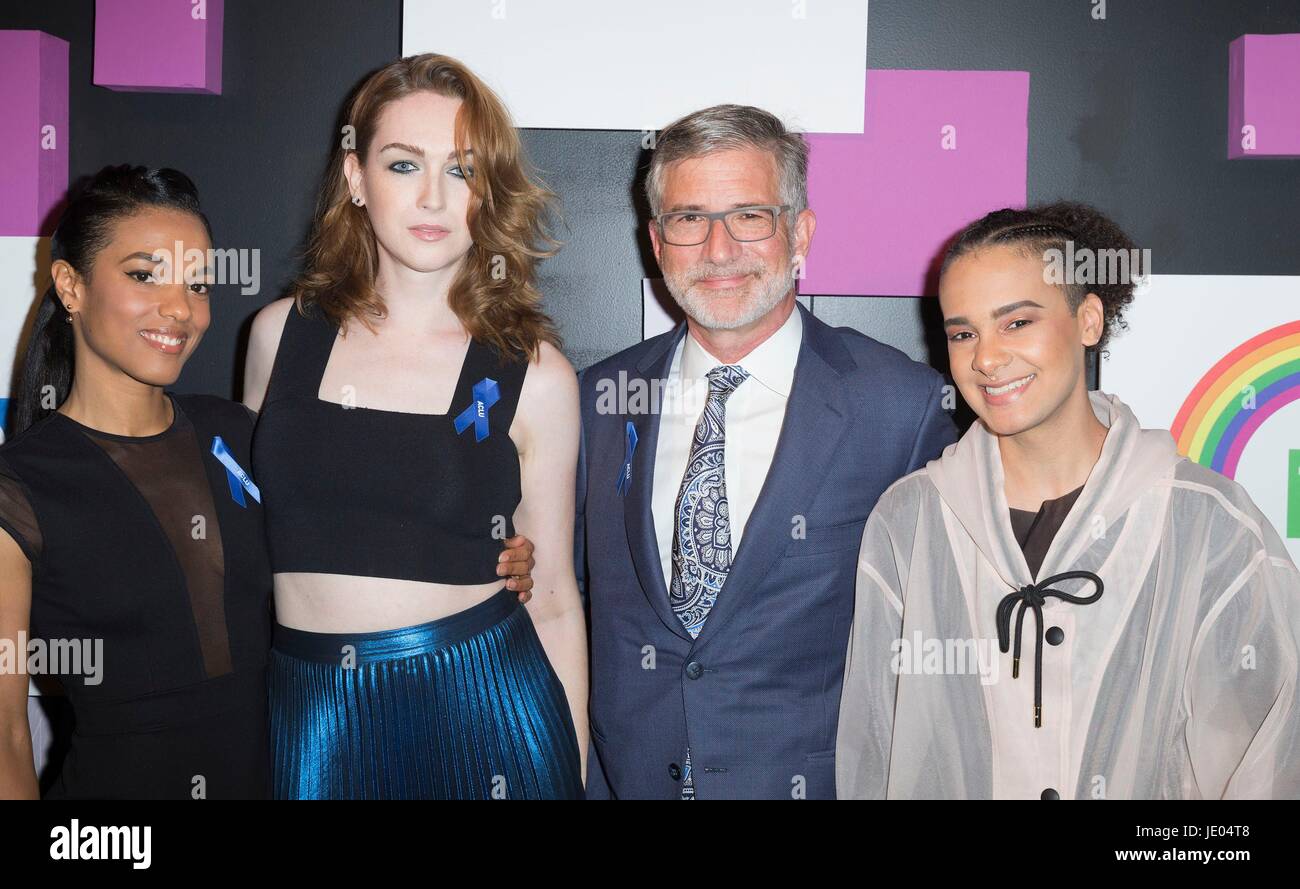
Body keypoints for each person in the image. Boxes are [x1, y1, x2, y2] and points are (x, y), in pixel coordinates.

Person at [837, 201, 1300, 799]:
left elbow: (1271, 762)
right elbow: (874, 753)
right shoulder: (909, 521)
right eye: (963, 333)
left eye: (1017, 322)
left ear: (1088, 321)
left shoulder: (1209, 523)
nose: (985, 358)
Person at [577, 104, 957, 799]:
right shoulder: (597, 399)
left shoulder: (901, 407)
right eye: (689, 219)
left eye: (750, 215)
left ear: (800, 232)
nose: (719, 250)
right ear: (657, 243)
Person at [243, 53, 586, 799]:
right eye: (404, 164)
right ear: (356, 177)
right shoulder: (278, 337)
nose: (433, 196)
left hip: (487, 705)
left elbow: (555, 594)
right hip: (313, 711)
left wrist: (577, 775)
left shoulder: (535, 373)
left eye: (461, 170)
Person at [0, 165, 272, 798]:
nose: (180, 310)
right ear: (70, 286)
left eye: (197, 284)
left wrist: (494, 555)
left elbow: (353, 542)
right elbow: (7, 736)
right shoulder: (20, 488)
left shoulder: (238, 434)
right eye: (144, 275)